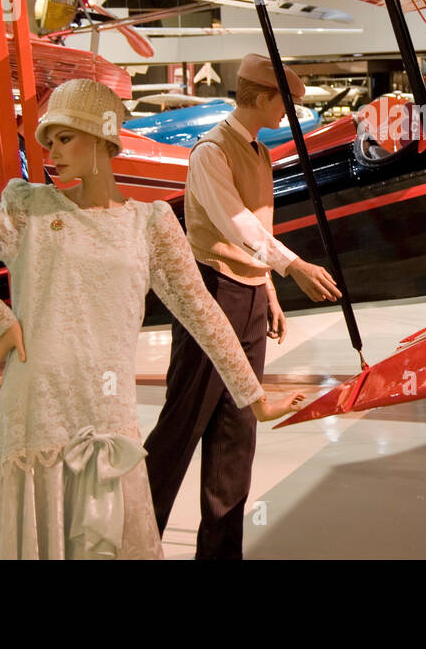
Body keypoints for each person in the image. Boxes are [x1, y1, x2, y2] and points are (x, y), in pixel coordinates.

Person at [0, 78, 305, 559]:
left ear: (103, 137)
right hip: (37, 411)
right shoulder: (31, 210)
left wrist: (253, 398)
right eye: (49, 141)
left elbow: (204, 314)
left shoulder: (149, 224)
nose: (53, 152)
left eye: (65, 137)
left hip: (107, 415)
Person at [144, 53, 340, 559]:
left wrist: (267, 290)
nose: (286, 111)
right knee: (182, 425)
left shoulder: (259, 153)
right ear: (262, 97)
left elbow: (258, 229)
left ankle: (220, 553)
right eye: (283, 101)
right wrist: (292, 267)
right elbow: (237, 226)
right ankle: (132, 540)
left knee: (237, 432)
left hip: (246, 293)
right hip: (210, 293)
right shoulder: (212, 151)